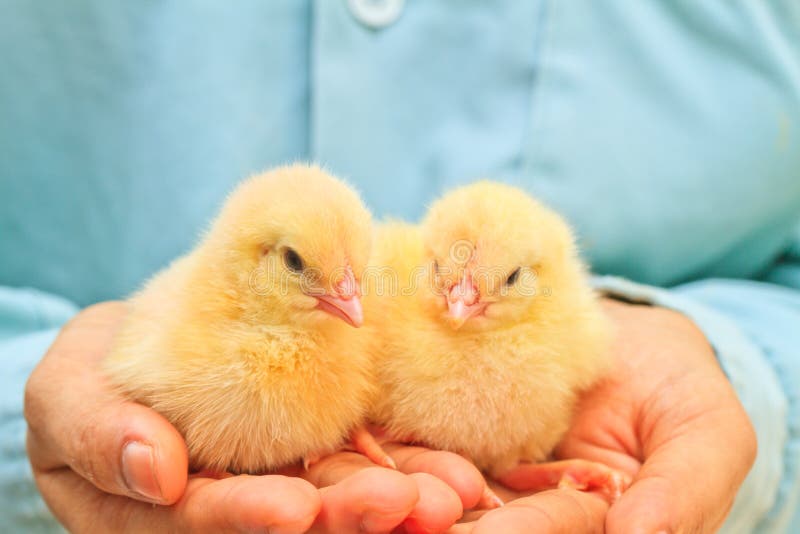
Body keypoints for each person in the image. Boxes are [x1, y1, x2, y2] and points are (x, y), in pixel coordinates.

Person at [2, 1, 799, 532]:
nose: (455, 304)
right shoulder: (224, 322)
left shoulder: (542, 331)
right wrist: (27, 430)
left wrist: (751, 380)